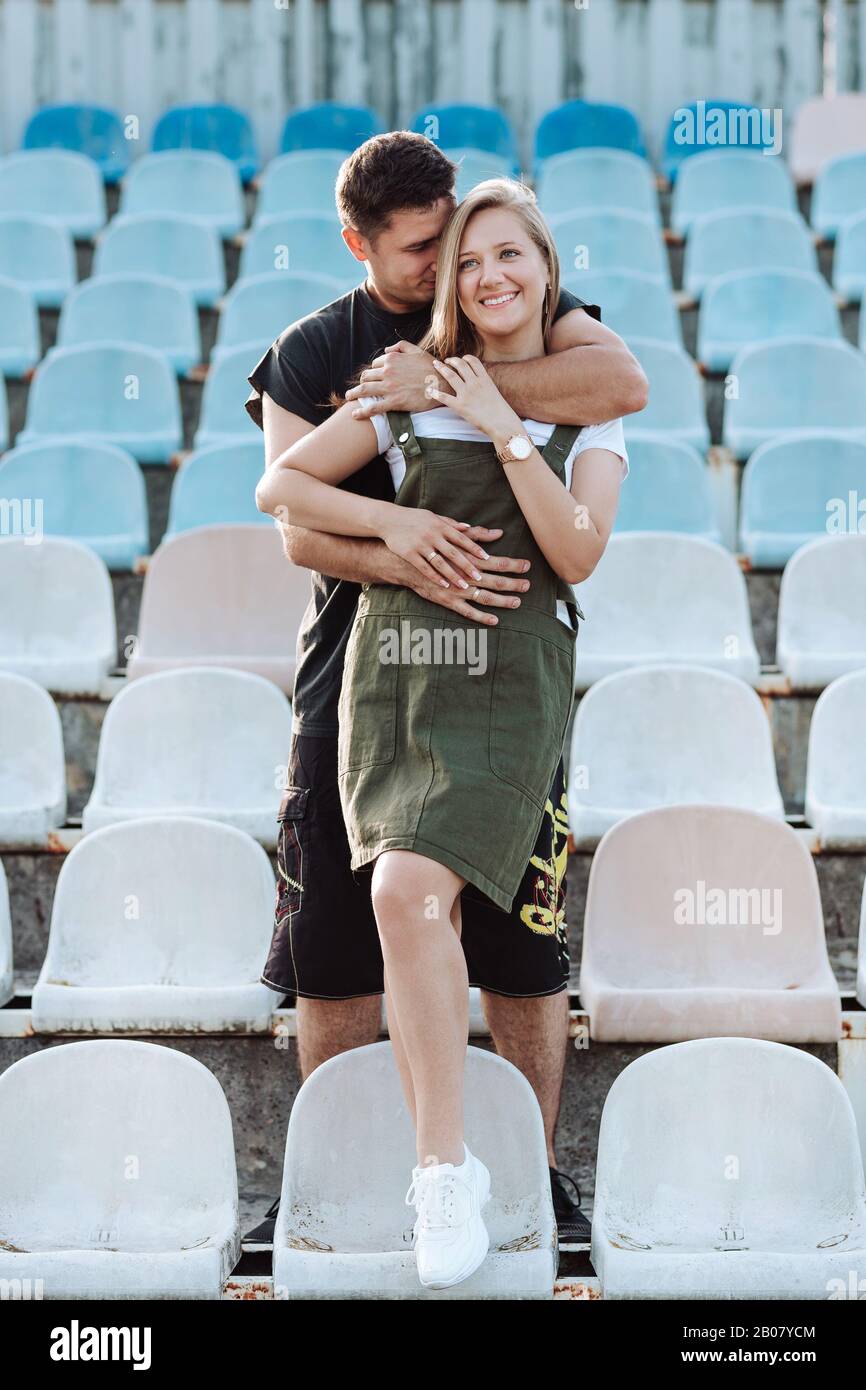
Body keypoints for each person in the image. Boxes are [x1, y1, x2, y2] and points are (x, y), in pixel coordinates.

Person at [244, 130, 646, 1253]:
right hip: (360, 666)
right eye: (431, 251)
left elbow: (620, 385)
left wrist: (471, 392)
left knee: (519, 942)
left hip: (508, 670)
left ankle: (522, 1170)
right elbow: (288, 517)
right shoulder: (316, 348)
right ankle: (362, 1171)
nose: (458, 271)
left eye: (470, 243)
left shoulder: (522, 315)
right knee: (339, 935)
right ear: (359, 244)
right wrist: (403, 534)